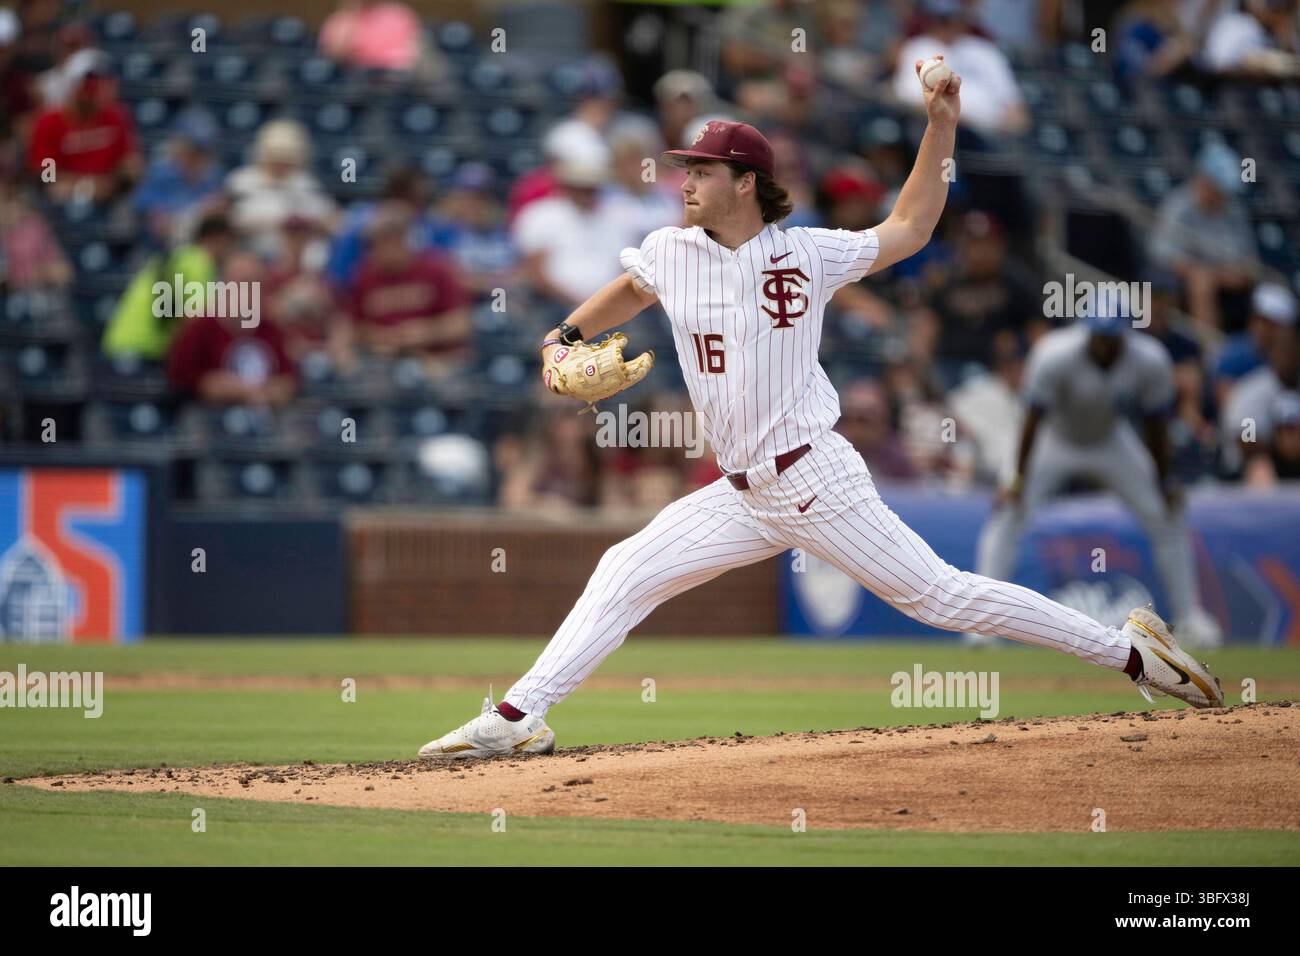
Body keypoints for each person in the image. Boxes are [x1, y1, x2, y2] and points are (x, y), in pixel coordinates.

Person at [419, 61, 1224, 760]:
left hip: (815, 479)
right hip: (742, 494)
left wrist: (939, 125)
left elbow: (909, 225)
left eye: (701, 170)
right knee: (625, 569)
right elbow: (631, 289)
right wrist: (560, 339)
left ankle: (1131, 653)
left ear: (745, 184)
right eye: (685, 168)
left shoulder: (806, 253)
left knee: (942, 597)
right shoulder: (671, 250)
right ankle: (520, 718)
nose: (685, 179)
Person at [973, 301, 1224, 650]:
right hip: (1053, 439)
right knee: (1007, 511)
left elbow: (1155, 426)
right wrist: (1016, 478)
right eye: (1097, 337)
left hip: (1111, 440)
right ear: (1085, 331)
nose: (1103, 345)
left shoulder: (1149, 359)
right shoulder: (1054, 354)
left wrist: (1164, 480)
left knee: (1167, 513)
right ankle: (983, 623)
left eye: (1110, 338)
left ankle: (1190, 617)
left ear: (1125, 335)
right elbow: (1032, 421)